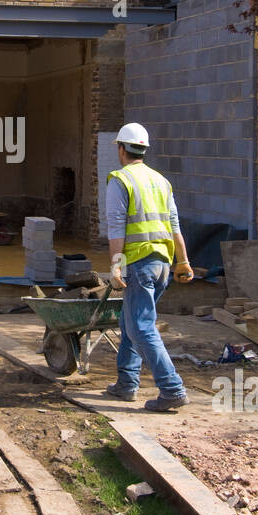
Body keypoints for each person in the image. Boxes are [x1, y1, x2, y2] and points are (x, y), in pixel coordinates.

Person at [105, 122, 194, 412]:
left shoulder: (121, 179)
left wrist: (116, 267)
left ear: (121, 149)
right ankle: (126, 384)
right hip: (163, 265)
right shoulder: (160, 181)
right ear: (143, 149)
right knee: (129, 322)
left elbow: (116, 227)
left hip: (139, 264)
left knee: (141, 327)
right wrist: (183, 261)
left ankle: (172, 388)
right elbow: (175, 226)